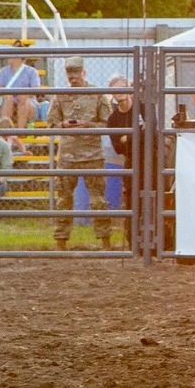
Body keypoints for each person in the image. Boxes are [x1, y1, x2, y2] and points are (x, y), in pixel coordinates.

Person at [47, 56, 112, 250]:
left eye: (76, 72)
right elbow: (51, 123)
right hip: (68, 155)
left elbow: (107, 123)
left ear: (84, 72)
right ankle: (61, 241)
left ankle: (105, 240)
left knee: (98, 200)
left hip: (92, 155)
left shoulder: (98, 94)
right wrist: (63, 125)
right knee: (63, 199)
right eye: (69, 73)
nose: (73, 76)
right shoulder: (60, 96)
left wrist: (88, 125)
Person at [103, 75, 134, 242]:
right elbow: (118, 147)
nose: (120, 93)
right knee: (130, 199)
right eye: (116, 90)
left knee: (151, 199)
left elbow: (150, 134)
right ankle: (132, 241)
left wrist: (127, 137)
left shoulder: (143, 108)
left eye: (122, 88)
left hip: (151, 159)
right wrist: (135, 135)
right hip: (130, 160)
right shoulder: (113, 118)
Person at [0, 41, 42, 139]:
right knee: (8, 98)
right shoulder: (3, 71)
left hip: (28, 104)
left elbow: (35, 90)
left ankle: (20, 133)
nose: (9, 56)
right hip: (9, 102)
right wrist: (6, 94)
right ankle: (5, 133)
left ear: (20, 57)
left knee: (22, 98)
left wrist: (24, 94)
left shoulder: (31, 72)